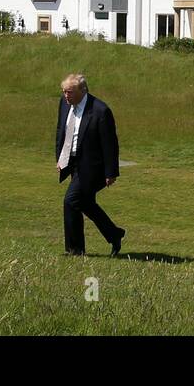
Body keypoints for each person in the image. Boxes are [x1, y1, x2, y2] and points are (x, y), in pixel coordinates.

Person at [55, 73, 124, 256]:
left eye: (69, 92)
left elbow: (110, 144)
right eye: (64, 92)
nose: (66, 96)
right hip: (73, 163)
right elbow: (61, 130)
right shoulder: (64, 104)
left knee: (71, 201)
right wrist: (60, 158)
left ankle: (75, 250)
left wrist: (111, 172)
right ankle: (114, 233)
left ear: (83, 90)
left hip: (93, 167)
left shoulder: (100, 111)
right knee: (84, 203)